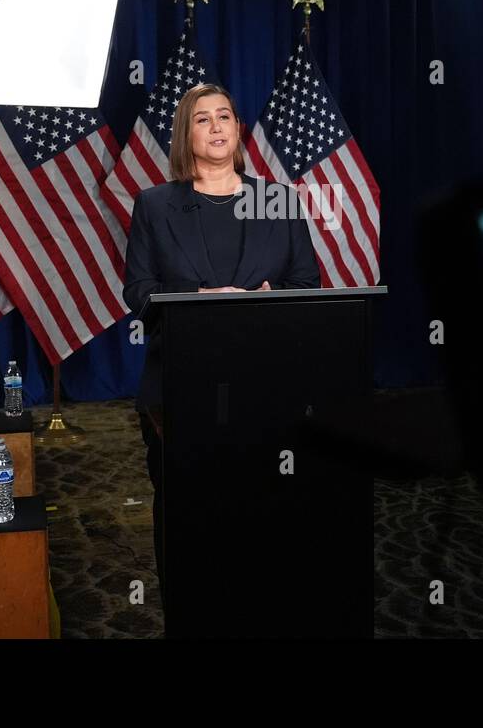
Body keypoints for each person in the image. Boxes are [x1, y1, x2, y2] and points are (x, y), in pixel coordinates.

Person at [122, 83, 320, 601]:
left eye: (225, 116)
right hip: (180, 389)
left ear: (238, 129)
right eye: (202, 119)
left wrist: (270, 297)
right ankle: (189, 612)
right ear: (186, 135)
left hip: (265, 385)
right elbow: (137, 292)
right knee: (188, 513)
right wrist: (199, 295)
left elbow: (307, 284)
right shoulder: (155, 204)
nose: (216, 127)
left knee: (264, 508)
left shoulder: (276, 200)